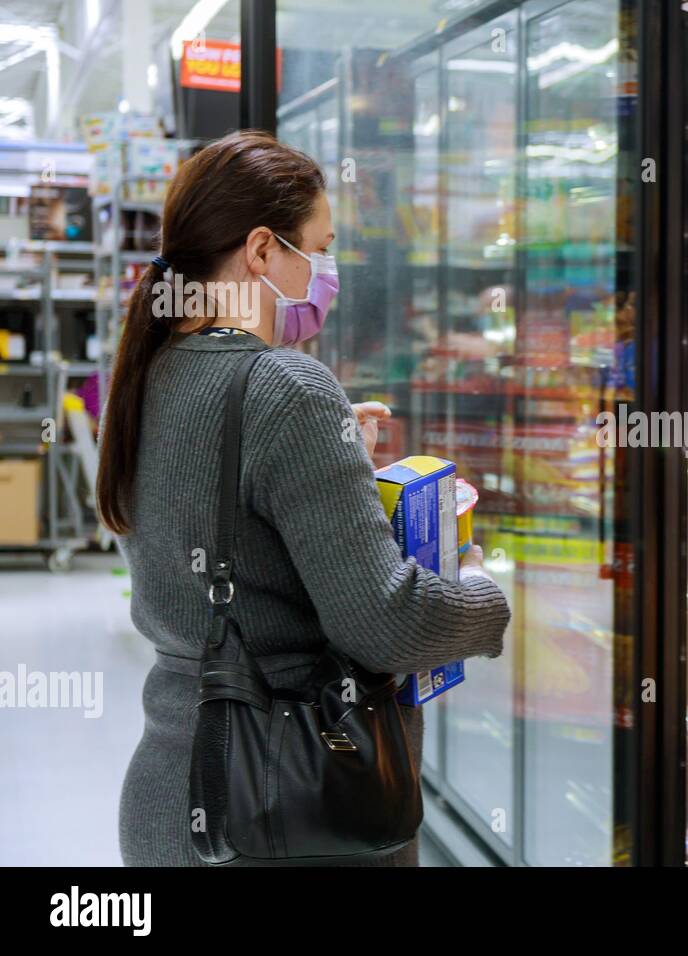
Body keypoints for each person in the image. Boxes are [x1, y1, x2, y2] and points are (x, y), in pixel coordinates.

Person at [97, 130, 510, 866]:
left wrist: (328, 453)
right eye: (317, 249)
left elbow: (207, 500)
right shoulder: (285, 387)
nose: (326, 271)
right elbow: (384, 625)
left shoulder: (146, 373)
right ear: (262, 251)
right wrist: (480, 591)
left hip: (174, 793)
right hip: (289, 798)